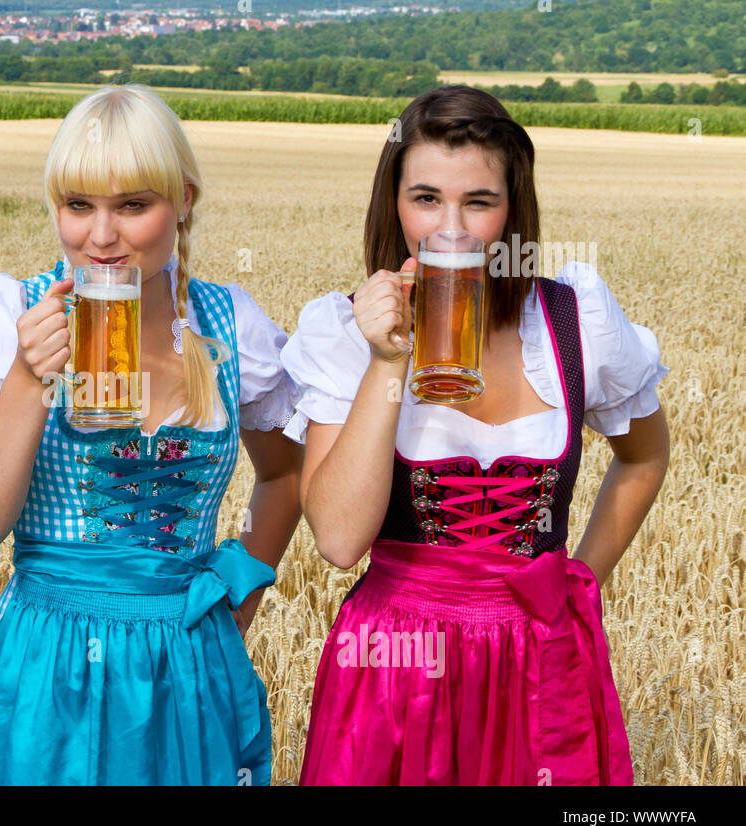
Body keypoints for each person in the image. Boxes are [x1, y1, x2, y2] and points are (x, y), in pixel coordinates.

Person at [283, 85, 670, 785]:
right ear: (393, 205)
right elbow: (339, 541)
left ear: (513, 211)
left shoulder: (573, 318)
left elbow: (643, 457)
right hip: (395, 669)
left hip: (542, 662)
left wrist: (577, 581)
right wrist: (387, 362)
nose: (451, 230)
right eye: (426, 198)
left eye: (479, 202)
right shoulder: (344, 334)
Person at [0, 84, 303, 785]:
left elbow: (286, 476)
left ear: (184, 200)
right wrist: (26, 376)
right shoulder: (9, 310)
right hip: (51, 666)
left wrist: (232, 599)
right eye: (78, 206)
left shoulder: (231, 326)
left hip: (189, 667)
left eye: (133, 205)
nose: (100, 237)